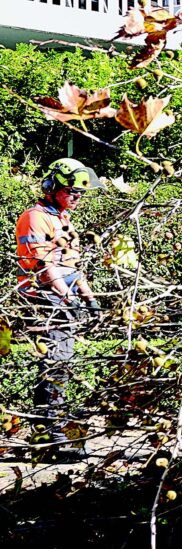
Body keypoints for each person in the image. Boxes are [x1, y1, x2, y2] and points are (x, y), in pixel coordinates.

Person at [14, 158, 101, 454]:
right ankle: (48, 434)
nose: (76, 198)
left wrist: (89, 299)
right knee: (55, 361)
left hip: (61, 295)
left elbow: (72, 265)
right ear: (52, 187)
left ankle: (53, 427)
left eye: (80, 193)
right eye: (71, 192)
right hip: (44, 296)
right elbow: (43, 265)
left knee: (63, 361)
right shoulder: (36, 217)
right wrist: (69, 297)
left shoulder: (62, 219)